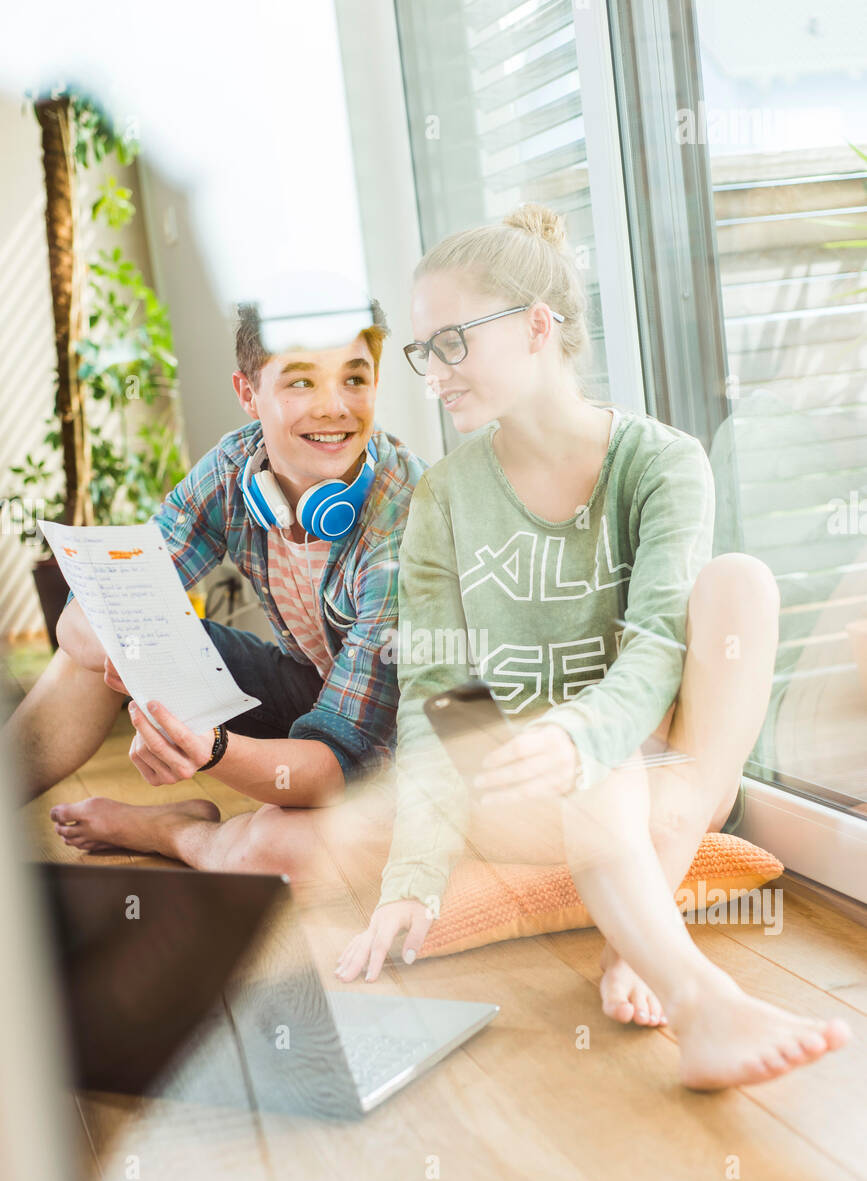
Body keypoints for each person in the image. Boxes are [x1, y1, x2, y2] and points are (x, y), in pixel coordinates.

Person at [332, 202, 851, 1091]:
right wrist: (411, 880)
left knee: (740, 584)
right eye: (424, 351)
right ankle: (698, 997)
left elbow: (657, 648)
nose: (433, 373)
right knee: (595, 769)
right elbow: (436, 699)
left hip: (656, 771)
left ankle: (636, 940)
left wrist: (581, 734)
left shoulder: (661, 462)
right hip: (508, 780)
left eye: (451, 342)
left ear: (536, 327)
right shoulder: (444, 498)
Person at [4, 299, 426, 839]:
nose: (335, 407)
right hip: (312, 693)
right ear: (247, 394)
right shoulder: (235, 469)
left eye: (354, 379)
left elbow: (341, 760)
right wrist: (125, 650)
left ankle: (171, 833)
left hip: (405, 745)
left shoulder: (402, 525)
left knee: (282, 841)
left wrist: (210, 752)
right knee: (111, 629)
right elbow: (90, 611)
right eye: (301, 383)